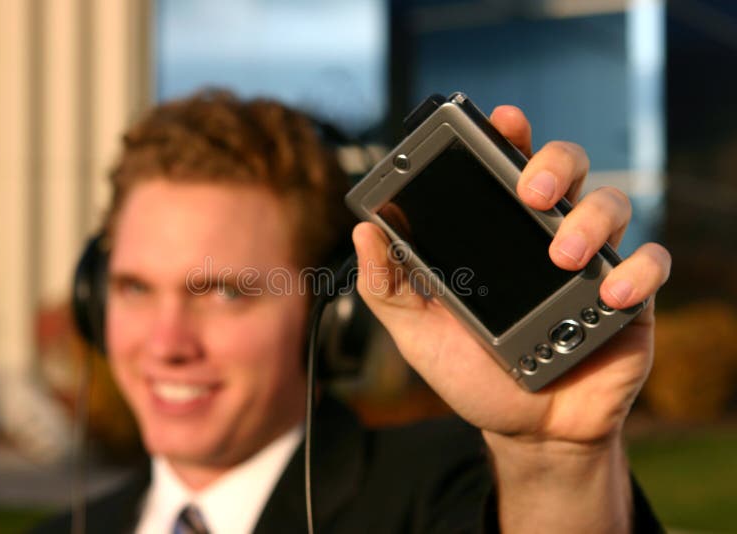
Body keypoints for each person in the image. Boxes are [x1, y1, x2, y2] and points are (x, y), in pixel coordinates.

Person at [37, 90, 669, 533]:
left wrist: (555, 461)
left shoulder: (450, 492)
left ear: (331, 314)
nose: (168, 342)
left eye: (227, 292)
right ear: (95, 300)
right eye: (135, 289)